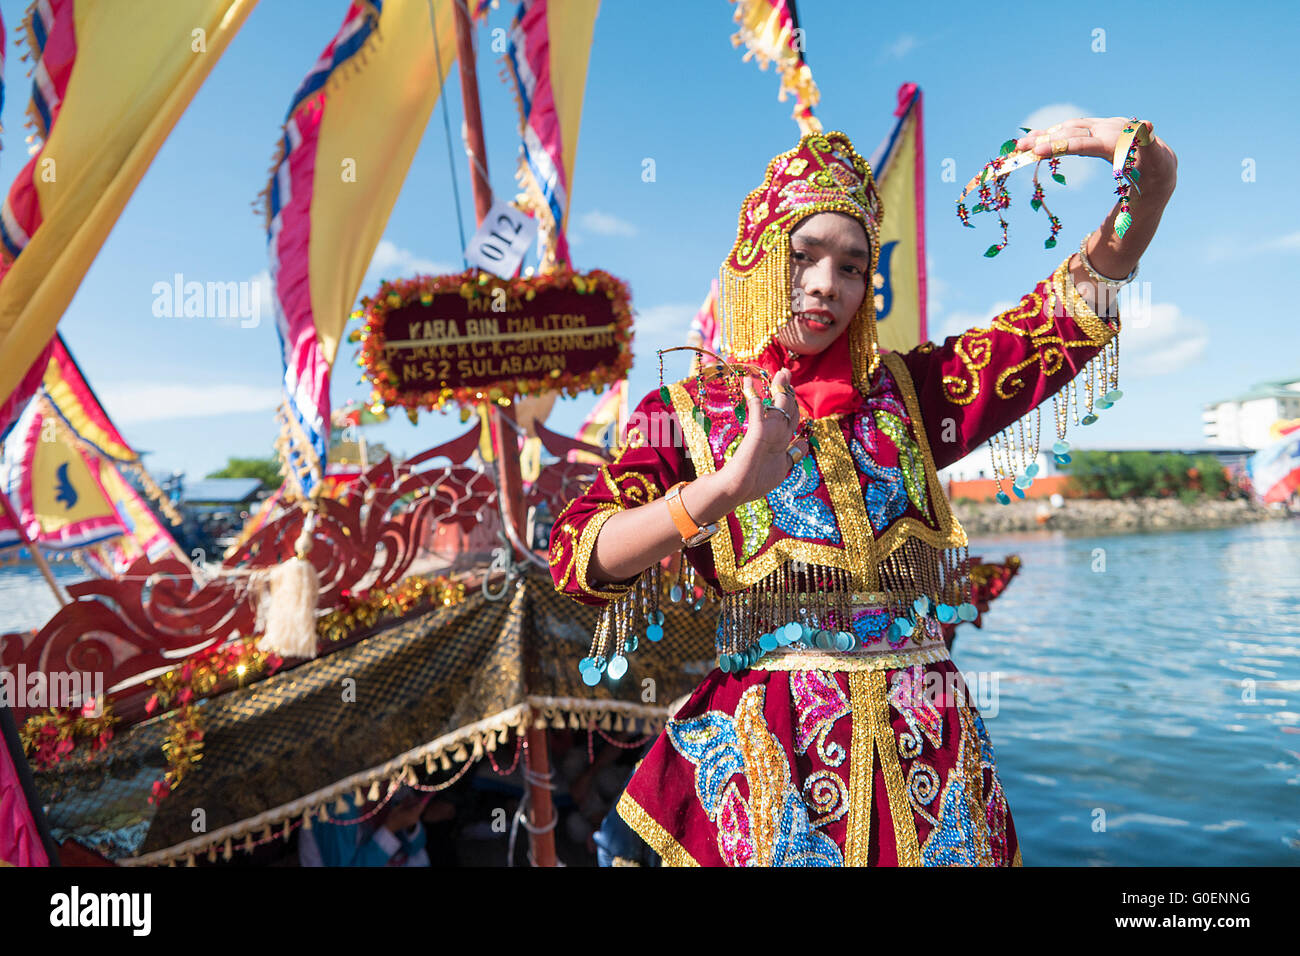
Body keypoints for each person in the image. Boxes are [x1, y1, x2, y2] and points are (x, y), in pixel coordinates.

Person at [549, 123, 1176, 866]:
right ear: (755, 264)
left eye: (851, 267)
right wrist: (718, 491)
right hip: (770, 777)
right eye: (803, 256)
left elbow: (1064, 318)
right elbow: (577, 559)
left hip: (930, 769)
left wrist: (1149, 178)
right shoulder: (684, 412)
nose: (825, 284)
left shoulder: (913, 394)